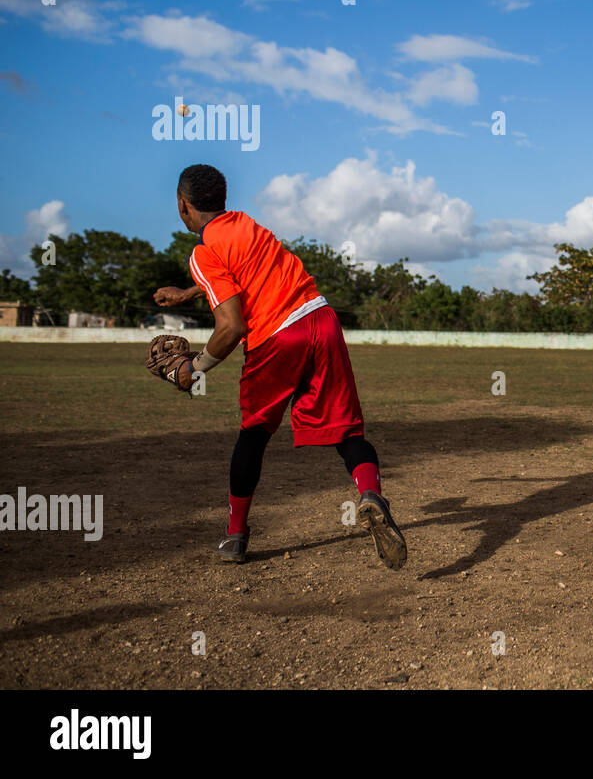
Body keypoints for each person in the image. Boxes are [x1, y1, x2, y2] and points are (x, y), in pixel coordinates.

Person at [153, 164, 407, 568]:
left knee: (252, 435)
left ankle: (236, 537)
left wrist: (193, 369)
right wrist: (189, 292)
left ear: (183, 207)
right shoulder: (247, 225)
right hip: (321, 321)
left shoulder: (203, 252)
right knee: (347, 430)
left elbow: (232, 326)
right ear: (222, 200)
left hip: (276, 338)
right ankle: (371, 495)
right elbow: (243, 275)